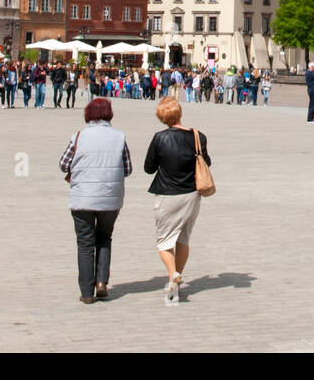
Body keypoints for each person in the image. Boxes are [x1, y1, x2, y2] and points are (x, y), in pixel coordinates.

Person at [60, 98, 132, 303]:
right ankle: (101, 282)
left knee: (84, 243)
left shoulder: (79, 136)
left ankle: (86, 292)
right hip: (110, 198)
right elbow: (127, 169)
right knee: (104, 237)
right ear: (109, 114)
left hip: (82, 197)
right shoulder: (120, 137)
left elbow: (63, 164)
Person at [143, 97, 211, 303]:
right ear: (180, 113)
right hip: (191, 193)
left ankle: (173, 273)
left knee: (164, 241)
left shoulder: (159, 138)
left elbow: (149, 168)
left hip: (167, 193)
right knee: (183, 238)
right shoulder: (198, 136)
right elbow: (206, 162)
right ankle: (177, 277)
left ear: (162, 118)